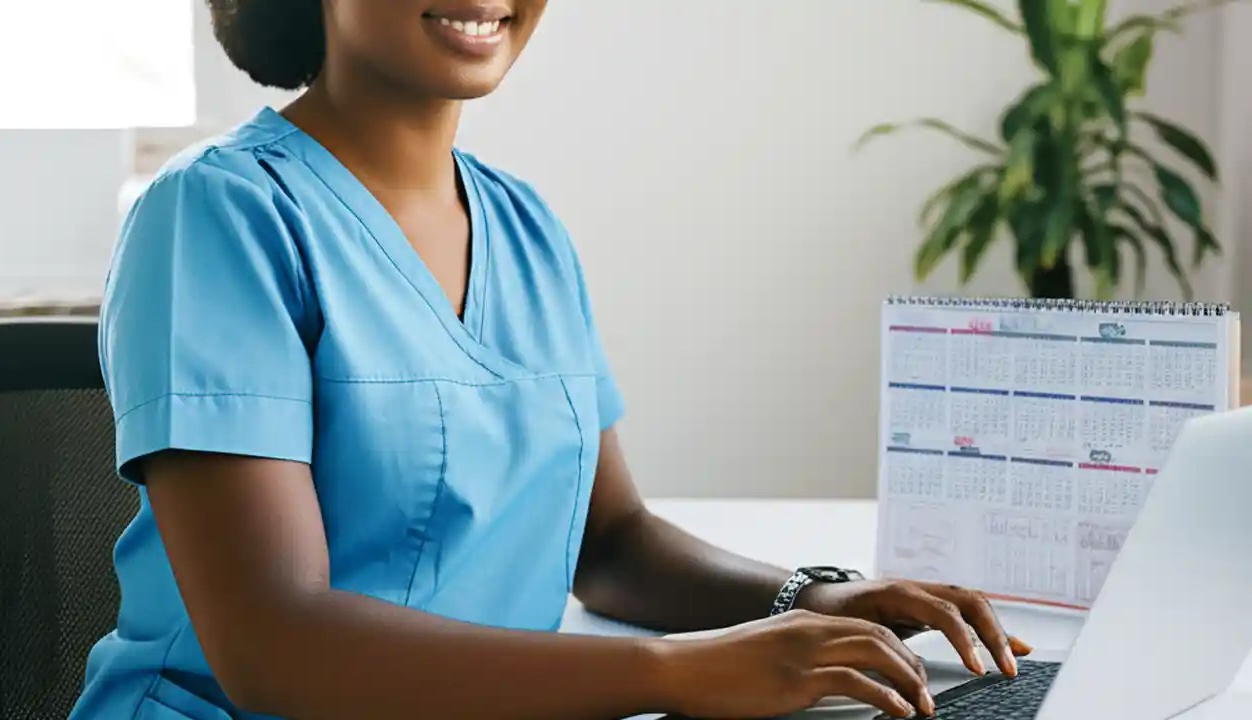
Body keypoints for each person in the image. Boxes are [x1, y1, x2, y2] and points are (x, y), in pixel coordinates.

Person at [71, 1, 1031, 718]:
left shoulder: (526, 227)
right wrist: (682, 672)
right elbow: (274, 645)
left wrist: (815, 599)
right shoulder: (216, 215)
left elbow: (609, 547)